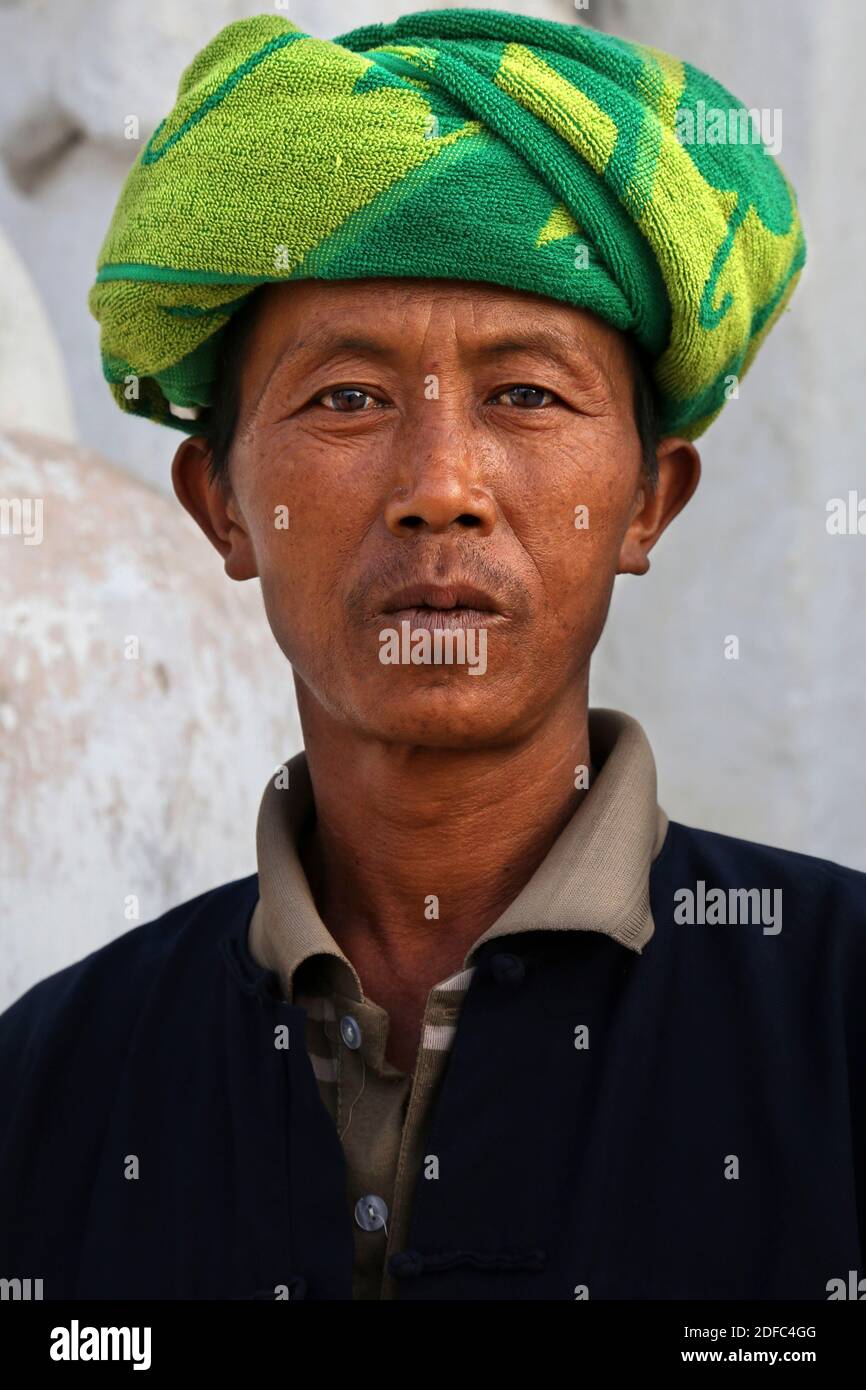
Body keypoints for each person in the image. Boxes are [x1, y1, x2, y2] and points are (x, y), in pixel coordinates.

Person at [3, 8, 863, 1303]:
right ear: (221, 503)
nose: (440, 486)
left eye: (525, 392)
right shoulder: (50, 1084)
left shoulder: (838, 1021)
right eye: (346, 396)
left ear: (647, 501)